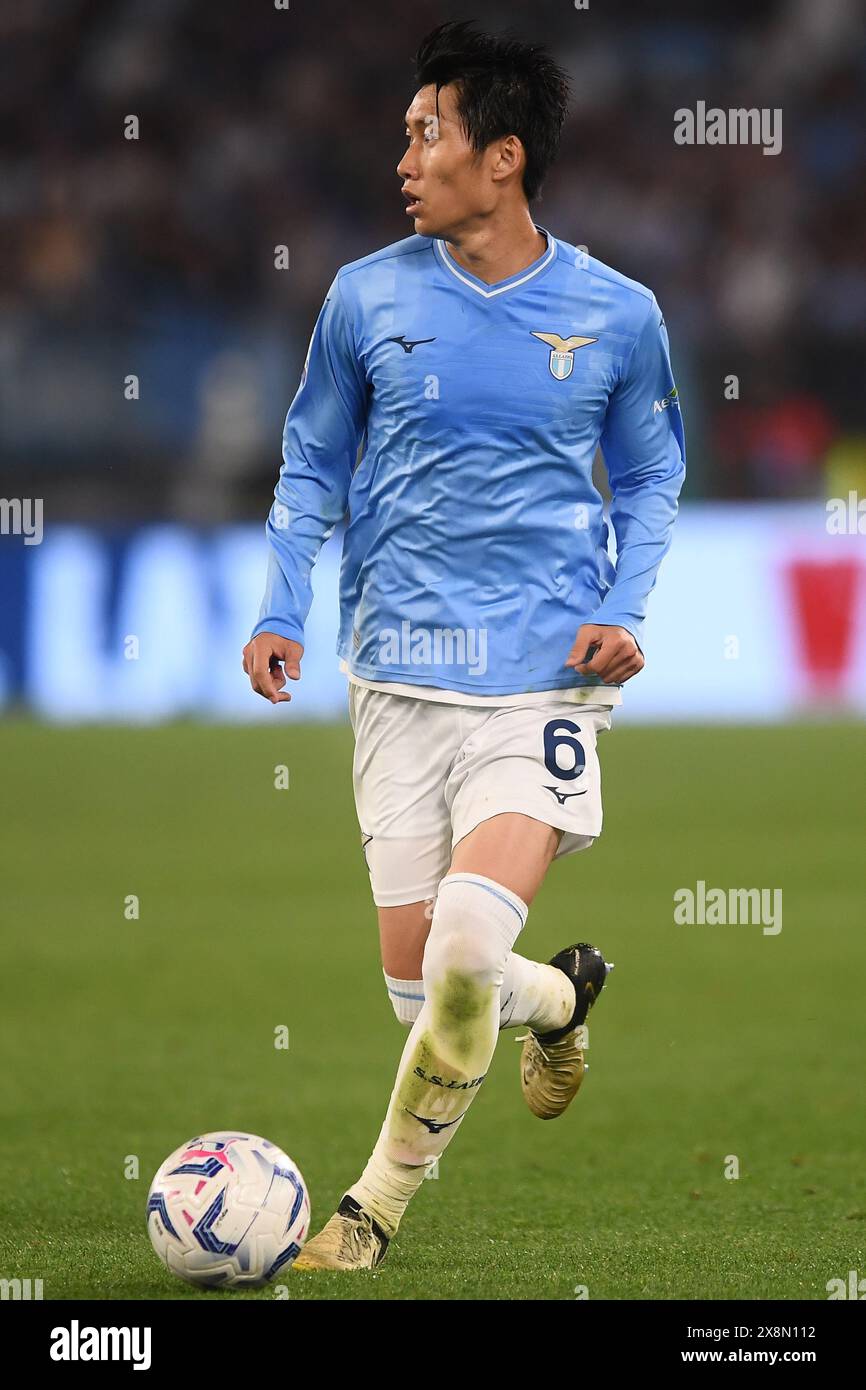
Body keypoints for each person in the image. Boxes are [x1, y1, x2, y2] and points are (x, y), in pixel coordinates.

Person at [243, 20, 685, 1270]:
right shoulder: (365, 295)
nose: (404, 157)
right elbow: (310, 462)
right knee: (428, 992)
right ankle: (559, 997)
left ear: (500, 158)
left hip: (538, 682)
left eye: (425, 132)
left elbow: (653, 474)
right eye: (402, 134)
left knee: (459, 959)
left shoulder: (616, 313)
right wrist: (281, 604)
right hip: (391, 678)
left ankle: (366, 1214)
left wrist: (626, 607)